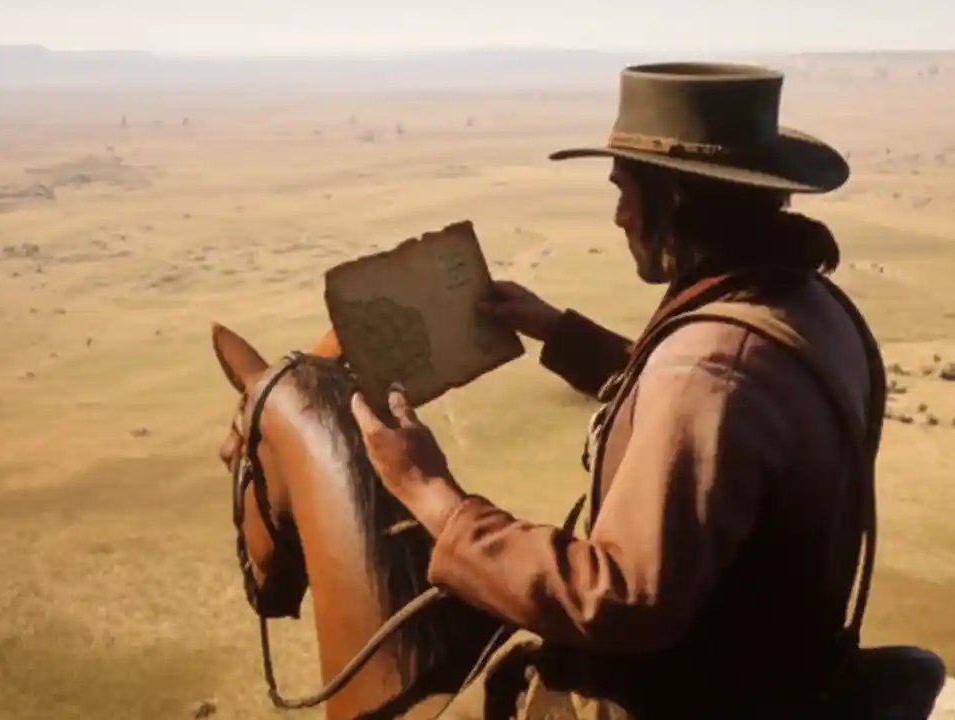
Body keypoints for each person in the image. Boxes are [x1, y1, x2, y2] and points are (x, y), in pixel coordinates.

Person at [349, 63, 894, 718]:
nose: (619, 216)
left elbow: (621, 601)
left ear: (676, 199)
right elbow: (716, 414)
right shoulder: (811, 306)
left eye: (626, 191)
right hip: (789, 672)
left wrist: (431, 493)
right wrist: (560, 332)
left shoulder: (708, 367)